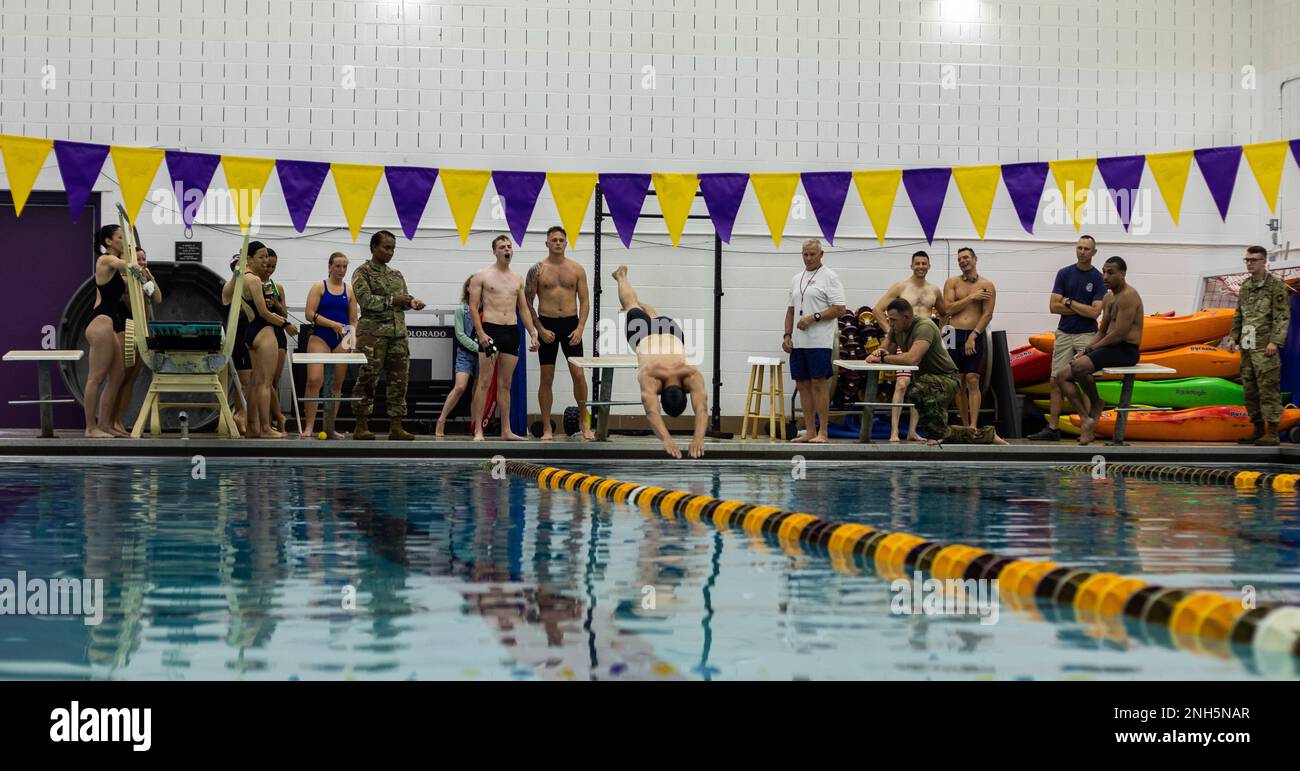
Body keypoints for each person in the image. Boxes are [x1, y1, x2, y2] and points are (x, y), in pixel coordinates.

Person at [864, 297, 1007, 445]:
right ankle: (987, 434)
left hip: (947, 378)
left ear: (907, 317)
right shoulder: (896, 329)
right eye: (889, 319)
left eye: (893, 319)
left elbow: (913, 358)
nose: (890, 323)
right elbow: (887, 351)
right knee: (936, 424)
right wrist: (877, 353)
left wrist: (883, 358)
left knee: (917, 390)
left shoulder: (924, 327)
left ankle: (939, 433)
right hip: (927, 378)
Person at [611, 265, 709, 458]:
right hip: (642, 336)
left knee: (651, 317)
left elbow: (702, 409)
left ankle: (638, 303)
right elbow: (651, 413)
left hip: (670, 330)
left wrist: (699, 437)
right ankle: (621, 277)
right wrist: (667, 439)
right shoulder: (650, 377)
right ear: (660, 396)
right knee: (630, 306)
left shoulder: (691, 372)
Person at [1054, 256, 1144, 445]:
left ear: (1123, 274)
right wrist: (1085, 350)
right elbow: (1102, 331)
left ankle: (1095, 402)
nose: (1105, 276)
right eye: (1103, 271)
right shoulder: (1108, 297)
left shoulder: (1129, 296)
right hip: (1109, 347)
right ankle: (1087, 417)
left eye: (1110, 273)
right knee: (1061, 376)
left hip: (1126, 350)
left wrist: (1091, 349)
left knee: (1079, 367)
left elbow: (1119, 334)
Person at [1028, 235, 1107, 440]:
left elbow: (1094, 314)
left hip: (1087, 334)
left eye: (1086, 249)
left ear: (1094, 252)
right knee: (1055, 381)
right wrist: (1084, 307)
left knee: (1086, 380)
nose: (1082, 252)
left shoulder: (1098, 278)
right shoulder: (1064, 274)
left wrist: (1069, 302)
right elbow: (1053, 307)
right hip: (1064, 332)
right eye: (1079, 248)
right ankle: (1053, 428)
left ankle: (1086, 427)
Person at [351, 230, 425, 440]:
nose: (390, 252)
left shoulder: (396, 275)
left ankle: (396, 427)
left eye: (393, 248)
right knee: (368, 378)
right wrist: (393, 300)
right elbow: (365, 301)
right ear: (374, 247)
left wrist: (412, 303)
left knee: (399, 381)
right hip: (372, 335)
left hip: (398, 335)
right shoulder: (362, 272)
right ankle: (361, 425)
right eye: (386, 247)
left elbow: (404, 299)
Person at [524, 226, 594, 440]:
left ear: (566, 243)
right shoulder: (537, 270)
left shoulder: (577, 269)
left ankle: (584, 423)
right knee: (547, 377)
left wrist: (581, 327)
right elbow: (527, 302)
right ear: (547, 243)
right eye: (553, 239)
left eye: (561, 240)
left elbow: (584, 301)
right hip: (547, 325)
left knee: (579, 375)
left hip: (571, 325)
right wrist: (540, 329)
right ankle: (547, 427)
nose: (557, 243)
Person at [469, 236, 540, 441]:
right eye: (502, 247)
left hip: (511, 332)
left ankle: (506, 430)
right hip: (490, 331)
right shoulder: (482, 276)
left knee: (506, 384)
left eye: (509, 247)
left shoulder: (517, 279)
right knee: (483, 381)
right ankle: (478, 430)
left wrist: (533, 333)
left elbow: (524, 309)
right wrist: (481, 333)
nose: (507, 250)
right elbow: (473, 307)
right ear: (494, 251)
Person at [875, 250, 945, 442]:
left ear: (929, 266)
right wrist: (892, 333)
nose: (921, 266)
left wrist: (939, 332)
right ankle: (894, 432)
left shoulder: (934, 290)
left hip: (925, 344)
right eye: (917, 263)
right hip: (906, 341)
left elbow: (945, 312)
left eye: (924, 263)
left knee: (920, 387)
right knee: (902, 384)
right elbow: (878, 309)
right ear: (911, 265)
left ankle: (912, 432)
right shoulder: (901, 286)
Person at [782, 239, 845, 443]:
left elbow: (840, 308)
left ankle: (823, 432)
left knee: (819, 384)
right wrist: (787, 335)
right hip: (799, 342)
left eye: (812, 254)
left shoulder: (830, 277)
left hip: (819, 341)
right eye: (805, 254)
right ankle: (809, 430)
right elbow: (791, 310)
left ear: (821, 254)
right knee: (802, 384)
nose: (808, 258)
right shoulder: (796, 278)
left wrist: (814, 317)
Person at [1229, 245, 1292, 446]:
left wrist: (1275, 341)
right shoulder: (1246, 286)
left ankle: (1272, 432)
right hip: (1248, 347)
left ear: (1264, 261)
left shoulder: (1275, 286)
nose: (1250, 263)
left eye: (1254, 260)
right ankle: (1257, 429)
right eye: (1247, 260)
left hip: (1266, 348)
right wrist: (1233, 337)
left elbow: (1282, 316)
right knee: (1250, 389)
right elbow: (1239, 314)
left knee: (1268, 388)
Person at [109, 234, 163, 435]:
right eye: (138, 259)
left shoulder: (142, 278)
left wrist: (150, 278)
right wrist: (138, 281)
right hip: (126, 327)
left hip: (141, 330)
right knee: (120, 377)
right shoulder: (123, 279)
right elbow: (133, 306)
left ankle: (119, 421)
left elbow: (157, 298)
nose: (142, 262)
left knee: (131, 379)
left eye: (144, 259)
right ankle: (109, 421)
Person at [302, 252, 358, 439]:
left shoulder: (349, 290)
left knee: (336, 385)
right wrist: (332, 324)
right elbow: (309, 314)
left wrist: (352, 337)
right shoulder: (319, 286)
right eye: (337, 266)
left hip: (341, 340)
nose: (341, 270)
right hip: (321, 337)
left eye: (344, 267)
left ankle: (329, 426)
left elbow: (353, 320)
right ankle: (309, 426)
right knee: (314, 381)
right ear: (330, 267)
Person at [241, 241, 295, 438]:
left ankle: (253, 427)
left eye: (269, 260)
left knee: (257, 382)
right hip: (265, 330)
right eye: (263, 258)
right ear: (250, 259)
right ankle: (265, 428)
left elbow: (226, 299)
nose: (266, 263)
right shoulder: (254, 280)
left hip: (250, 329)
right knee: (265, 382)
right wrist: (286, 325)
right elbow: (264, 312)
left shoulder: (240, 278)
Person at [83, 224, 131, 437]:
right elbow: (124, 265)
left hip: (109, 323)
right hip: (100, 322)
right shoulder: (105, 260)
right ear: (108, 242)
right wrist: (133, 260)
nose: (125, 241)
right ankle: (90, 428)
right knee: (96, 377)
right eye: (121, 237)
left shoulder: (118, 268)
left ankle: (104, 424)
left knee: (118, 374)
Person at [941, 247, 996, 429]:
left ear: (975, 259)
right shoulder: (952, 282)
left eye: (966, 258)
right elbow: (948, 309)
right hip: (952, 333)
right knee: (958, 381)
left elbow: (987, 314)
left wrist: (973, 336)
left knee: (972, 378)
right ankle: (964, 424)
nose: (963, 261)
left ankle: (973, 424)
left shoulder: (987, 285)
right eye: (959, 259)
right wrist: (972, 297)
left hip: (974, 333)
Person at [435, 276, 480, 438]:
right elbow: (460, 335)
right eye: (472, 286)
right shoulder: (462, 310)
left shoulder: (486, 310)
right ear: (467, 288)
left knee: (478, 392)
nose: (476, 289)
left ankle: (475, 426)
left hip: (482, 356)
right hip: (466, 353)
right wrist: (477, 347)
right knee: (460, 386)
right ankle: (441, 420)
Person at [221, 252, 255, 435]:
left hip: (251, 337)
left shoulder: (251, 286)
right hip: (237, 338)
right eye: (237, 265)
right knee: (243, 381)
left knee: (251, 381)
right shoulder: (230, 287)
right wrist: (237, 272)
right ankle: (239, 414)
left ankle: (244, 414)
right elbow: (227, 295)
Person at [261, 247, 292, 431]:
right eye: (267, 266)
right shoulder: (253, 283)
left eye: (273, 267)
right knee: (265, 379)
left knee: (274, 380)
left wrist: (276, 303)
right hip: (262, 334)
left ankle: (274, 418)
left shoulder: (277, 287)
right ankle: (273, 416)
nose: (270, 270)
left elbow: (284, 313)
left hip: (278, 332)